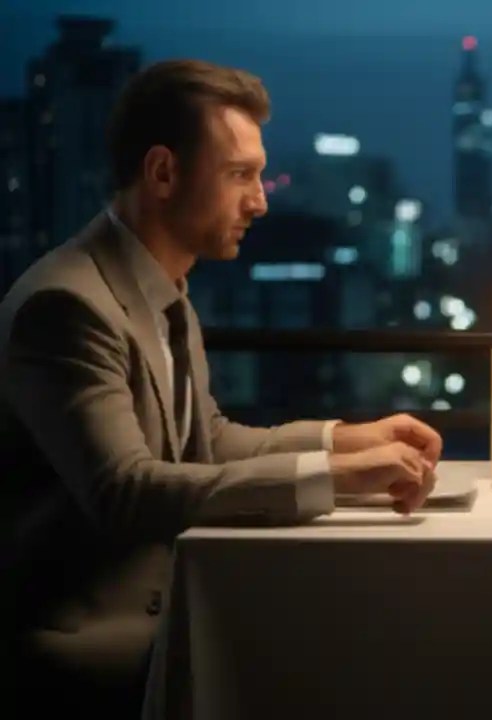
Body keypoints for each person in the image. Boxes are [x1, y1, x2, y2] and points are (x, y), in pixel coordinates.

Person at [0, 59, 442, 716]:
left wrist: (346, 440)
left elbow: (204, 440)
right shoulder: (68, 306)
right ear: (163, 174)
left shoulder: (160, 289)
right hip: (83, 652)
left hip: (175, 610)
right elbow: (126, 491)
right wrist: (335, 477)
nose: (261, 201)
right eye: (241, 175)